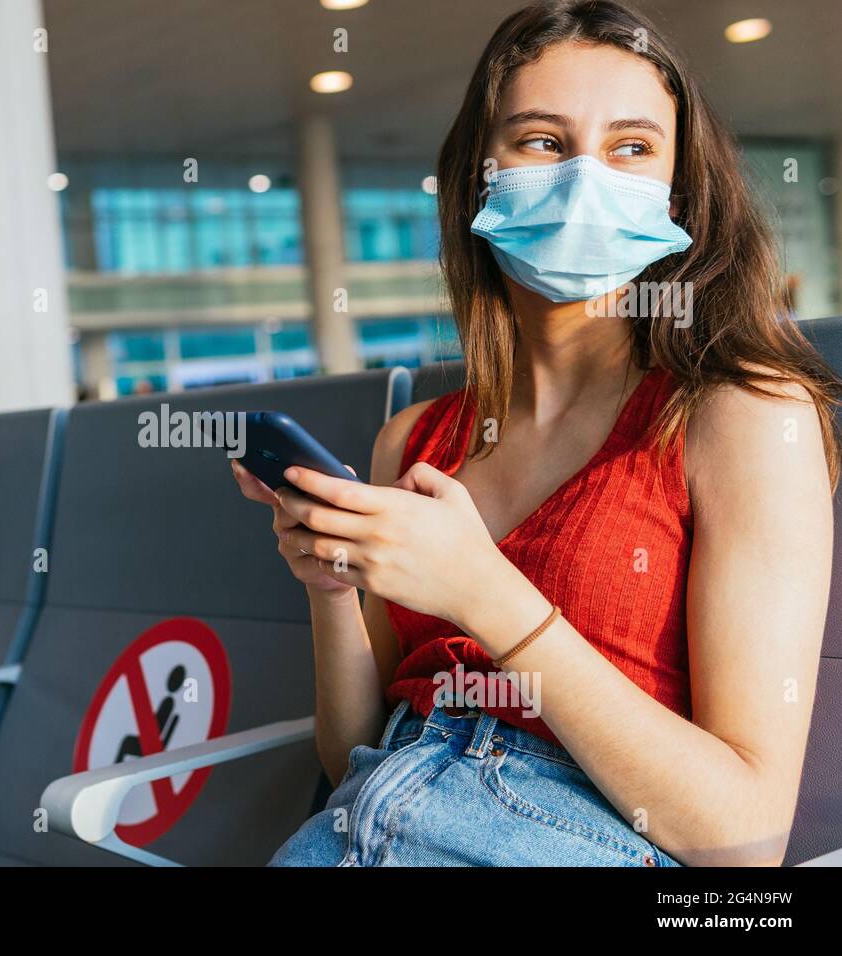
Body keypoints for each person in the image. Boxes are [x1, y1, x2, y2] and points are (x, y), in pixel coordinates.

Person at [234, 0, 839, 867]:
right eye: (543, 142)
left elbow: (741, 842)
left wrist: (484, 591)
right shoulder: (413, 442)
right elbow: (351, 754)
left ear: (679, 191)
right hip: (353, 830)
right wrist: (331, 586)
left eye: (631, 147)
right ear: (480, 176)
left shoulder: (744, 417)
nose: (586, 178)